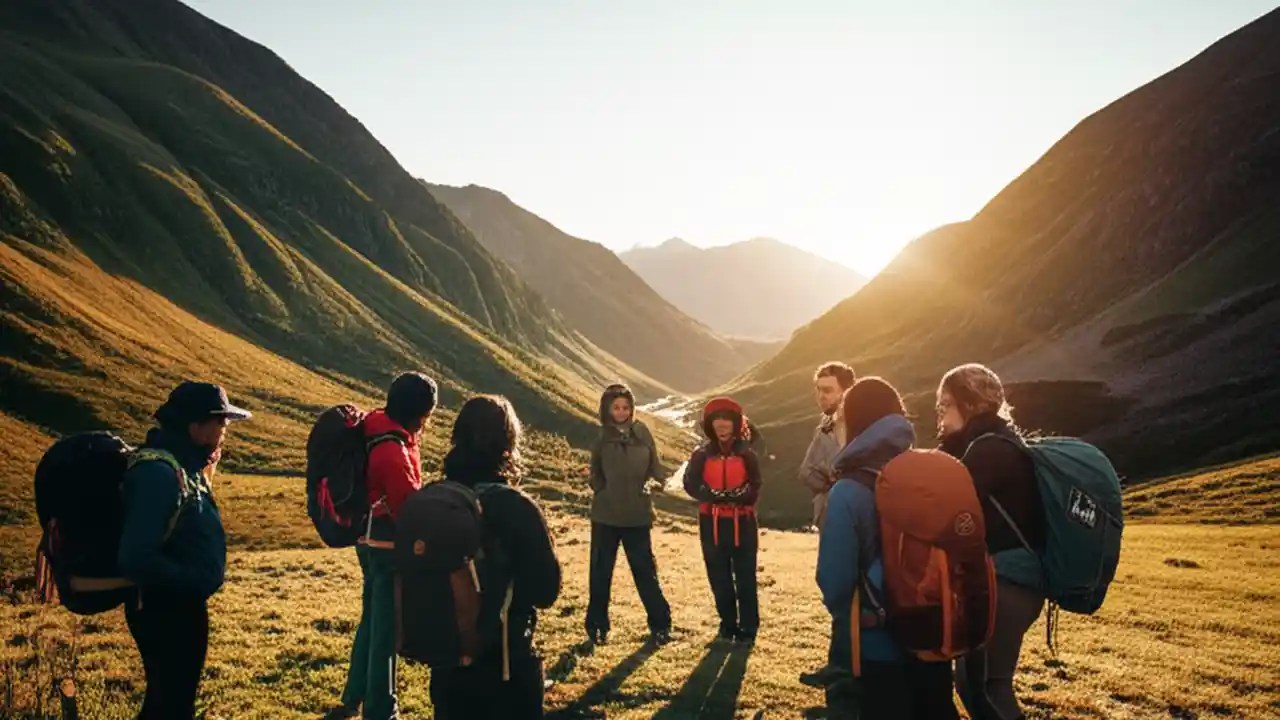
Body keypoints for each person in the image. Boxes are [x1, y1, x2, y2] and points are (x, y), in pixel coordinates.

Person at [817, 377, 959, 720]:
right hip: (933, 632)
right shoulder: (927, 472)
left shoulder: (848, 491)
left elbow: (834, 581)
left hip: (877, 641)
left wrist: (852, 618)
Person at [118, 381, 252, 719]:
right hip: (166, 608)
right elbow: (136, 556)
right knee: (170, 703)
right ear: (196, 427)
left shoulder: (184, 465)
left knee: (173, 698)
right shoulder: (160, 475)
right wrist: (191, 579)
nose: (225, 431)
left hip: (180, 604)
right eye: (221, 423)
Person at [429, 395, 562, 720]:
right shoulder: (515, 506)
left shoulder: (434, 498)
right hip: (505, 662)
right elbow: (546, 592)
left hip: (448, 662)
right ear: (507, 445)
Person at [937, 364, 1045, 720]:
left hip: (1008, 583)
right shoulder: (995, 443)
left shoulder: (988, 451)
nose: (938, 413)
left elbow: (947, 512)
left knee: (990, 687)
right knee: (974, 684)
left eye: (945, 405)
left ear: (969, 405)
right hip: (1009, 581)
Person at [331, 372, 438, 720]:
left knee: (371, 622)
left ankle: (355, 694)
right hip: (386, 545)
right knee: (387, 632)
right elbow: (409, 502)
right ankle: (381, 708)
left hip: (368, 539)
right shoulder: (392, 448)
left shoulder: (376, 428)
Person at [584, 384, 673, 645]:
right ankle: (597, 626)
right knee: (601, 572)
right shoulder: (602, 437)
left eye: (626, 407)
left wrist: (655, 484)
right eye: (616, 408)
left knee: (645, 571)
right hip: (605, 516)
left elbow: (656, 468)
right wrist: (603, 490)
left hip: (637, 515)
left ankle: (660, 624)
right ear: (607, 410)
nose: (622, 412)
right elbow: (595, 472)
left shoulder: (643, 433)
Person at [682, 397, 763, 642]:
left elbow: (756, 484)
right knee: (719, 575)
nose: (722, 424)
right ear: (709, 424)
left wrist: (740, 498)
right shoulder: (701, 455)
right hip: (712, 523)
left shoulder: (748, 454)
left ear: (736, 423)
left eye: (727, 419)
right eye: (716, 419)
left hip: (743, 523)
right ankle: (728, 624)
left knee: (746, 575)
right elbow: (690, 483)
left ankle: (749, 626)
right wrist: (711, 496)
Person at [799, 362, 856, 530]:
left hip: (856, 516)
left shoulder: (863, 427)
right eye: (819, 389)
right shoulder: (824, 428)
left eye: (828, 390)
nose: (821, 396)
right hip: (828, 516)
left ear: (847, 392)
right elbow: (806, 472)